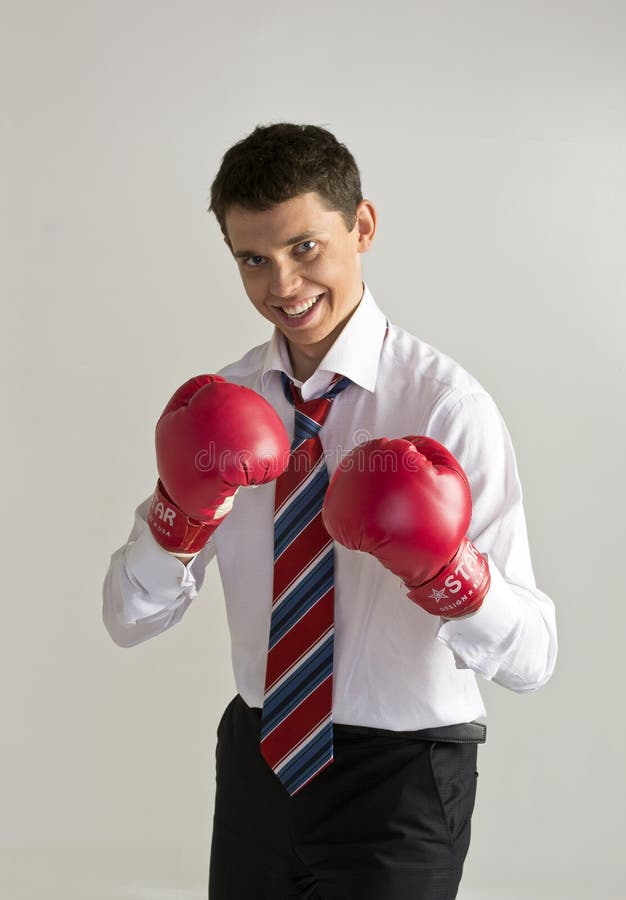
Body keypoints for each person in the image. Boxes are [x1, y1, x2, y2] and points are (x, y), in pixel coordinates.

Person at [103, 123, 558, 900]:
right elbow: (128, 619)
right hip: (258, 761)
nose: (282, 284)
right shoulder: (223, 405)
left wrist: (450, 573)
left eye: (305, 247)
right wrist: (177, 518)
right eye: (254, 259)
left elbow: (533, 659)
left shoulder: (447, 406)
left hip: (402, 777)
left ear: (363, 226)